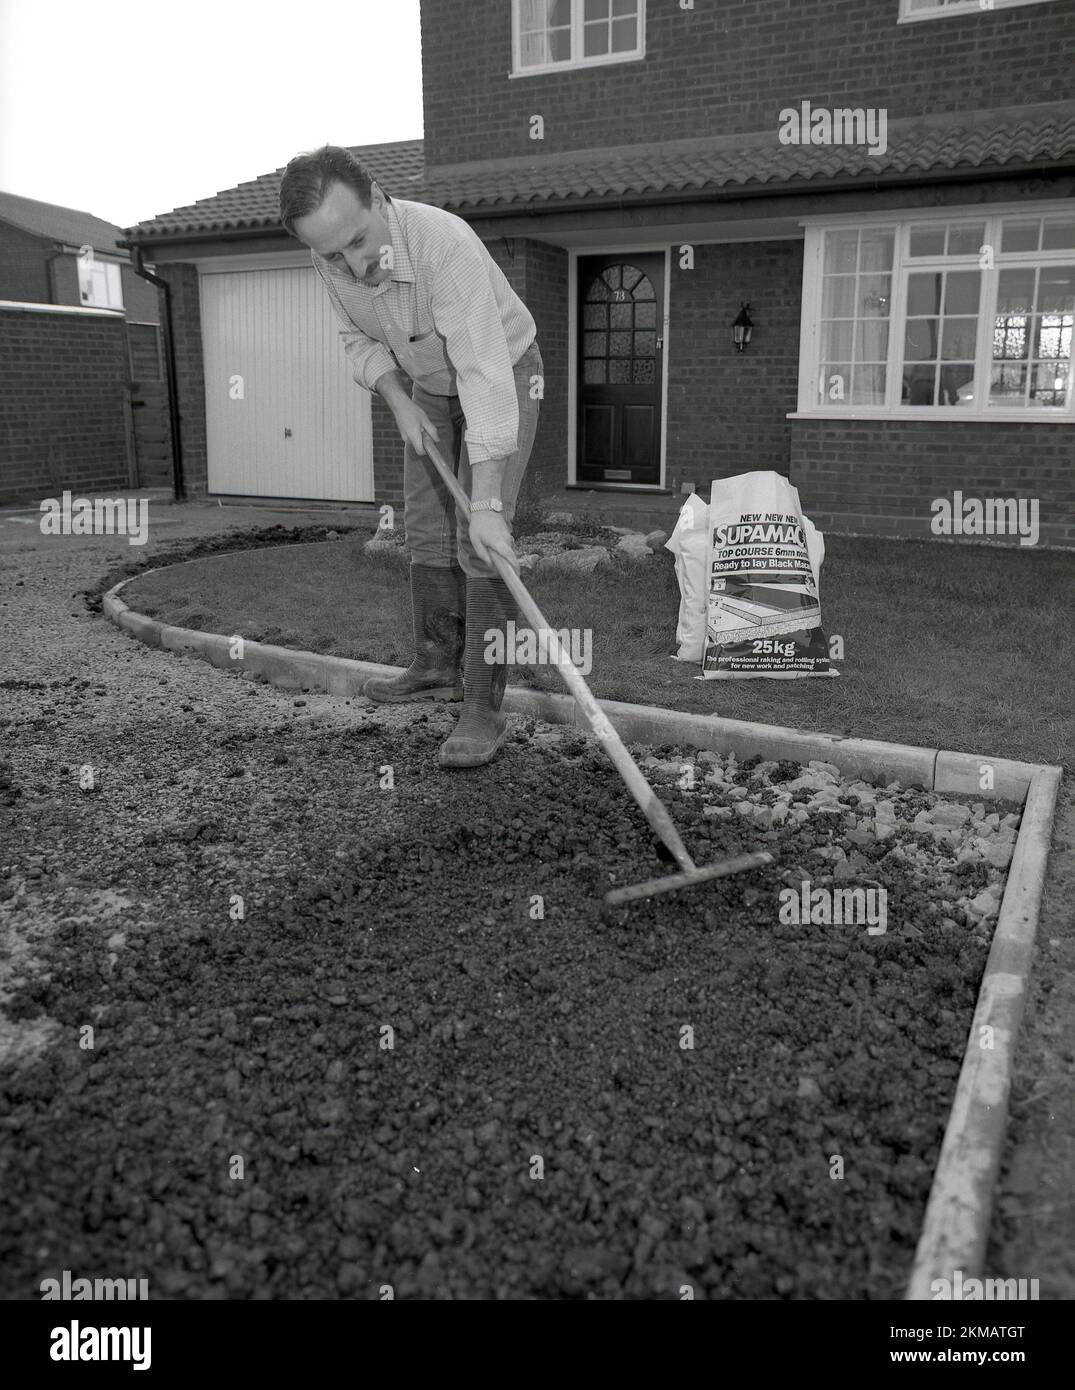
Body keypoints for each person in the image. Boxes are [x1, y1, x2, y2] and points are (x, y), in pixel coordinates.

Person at [279, 145, 542, 767]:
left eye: (358, 240)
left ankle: (482, 705)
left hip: (503, 372)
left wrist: (487, 503)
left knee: (481, 543)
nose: (352, 262)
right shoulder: (333, 257)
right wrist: (396, 397)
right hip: (424, 378)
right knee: (424, 528)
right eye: (331, 254)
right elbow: (357, 337)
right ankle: (434, 664)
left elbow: (482, 375)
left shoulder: (442, 245)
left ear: (378, 197)